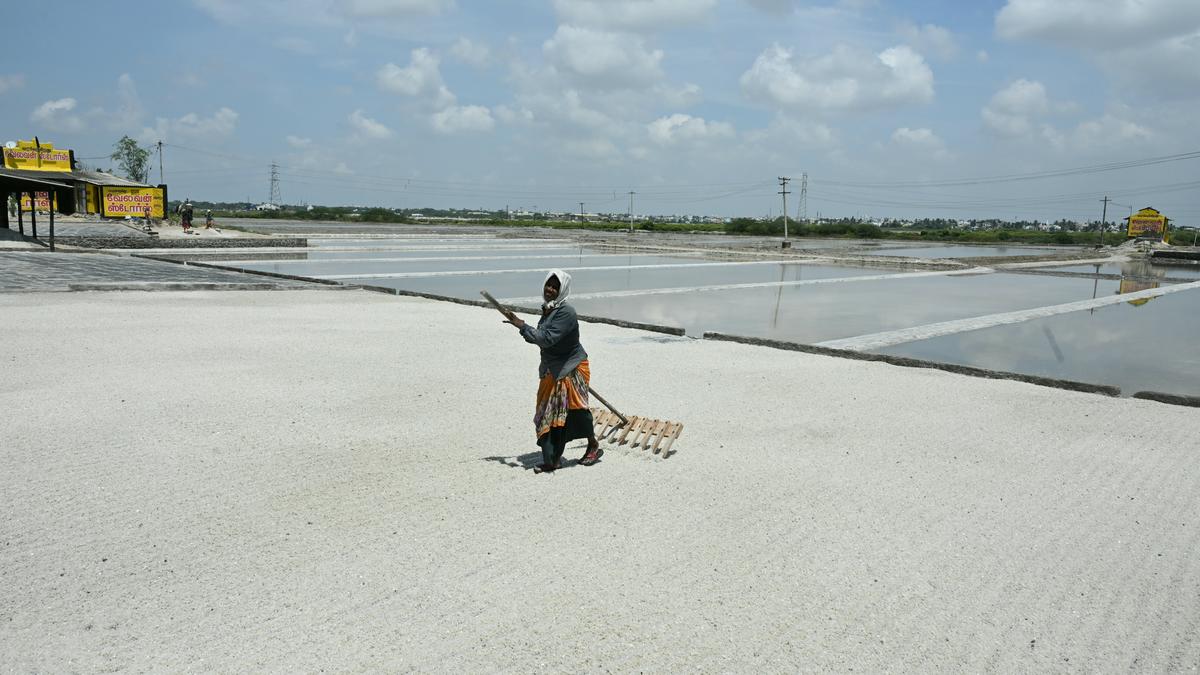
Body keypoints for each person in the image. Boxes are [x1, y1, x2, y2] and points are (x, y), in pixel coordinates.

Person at [505, 270, 602, 473]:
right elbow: (541, 338)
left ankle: (592, 444)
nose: (550, 290)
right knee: (548, 412)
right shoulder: (549, 309)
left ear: (562, 290)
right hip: (551, 369)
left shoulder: (566, 312)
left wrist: (522, 326)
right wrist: (523, 328)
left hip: (572, 367)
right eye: (548, 285)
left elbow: (546, 339)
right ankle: (553, 459)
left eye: (555, 287)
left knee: (576, 411)